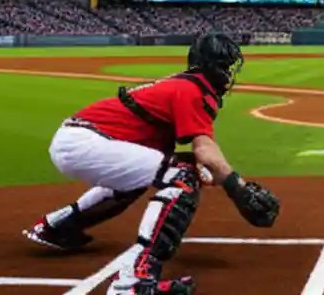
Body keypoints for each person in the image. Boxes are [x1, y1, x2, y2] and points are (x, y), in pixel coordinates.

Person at [22, 33, 280, 295]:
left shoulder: (183, 85)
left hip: (79, 139)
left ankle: (57, 227)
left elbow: (186, 156)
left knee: (154, 176)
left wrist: (213, 175)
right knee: (183, 176)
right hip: (87, 142)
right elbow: (204, 149)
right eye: (225, 66)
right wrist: (237, 187)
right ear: (212, 66)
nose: (228, 74)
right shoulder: (193, 90)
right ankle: (134, 279)